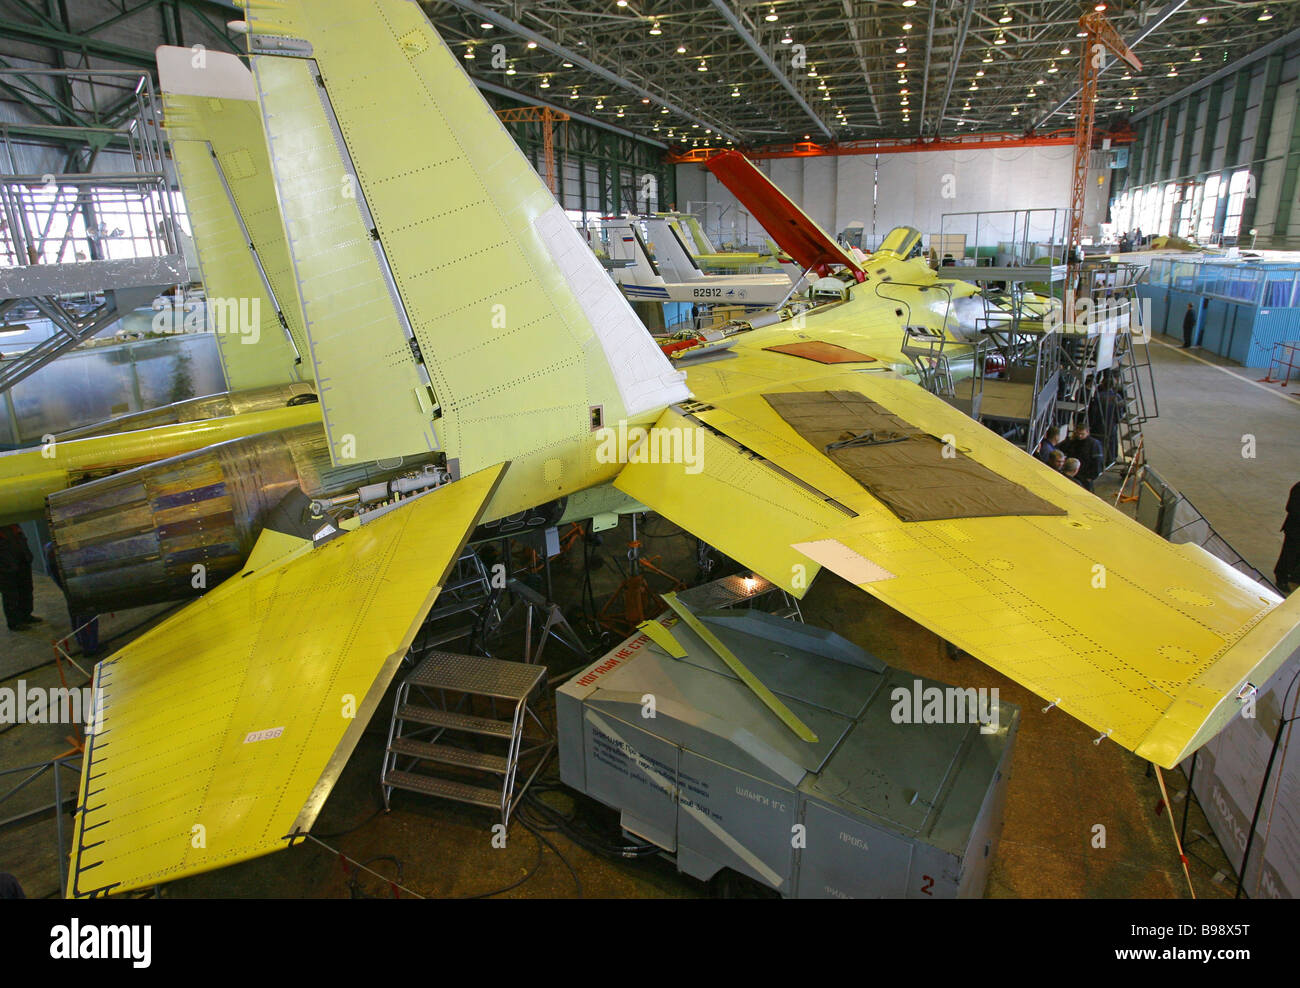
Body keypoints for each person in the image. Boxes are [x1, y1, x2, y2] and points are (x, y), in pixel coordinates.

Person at [0, 524, 41, 631]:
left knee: (26, 589)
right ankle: (14, 623)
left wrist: (28, 556)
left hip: (22, 561)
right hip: (5, 567)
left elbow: (22, 540)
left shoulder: (13, 523)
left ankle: (26, 616)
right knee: (11, 595)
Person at [1059, 423, 1104, 492]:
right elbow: (1061, 448)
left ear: (1087, 433)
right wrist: (1069, 440)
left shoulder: (1094, 444)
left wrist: (1091, 477)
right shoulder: (1072, 441)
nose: (1079, 436)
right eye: (1078, 433)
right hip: (1073, 473)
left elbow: (1098, 462)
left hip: (1085, 476)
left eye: (1082, 434)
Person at [1275, 481, 1300, 594]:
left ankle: (1295, 576)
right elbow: (1291, 508)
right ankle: (1281, 578)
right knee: (1289, 555)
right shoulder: (1298, 487)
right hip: (1295, 530)